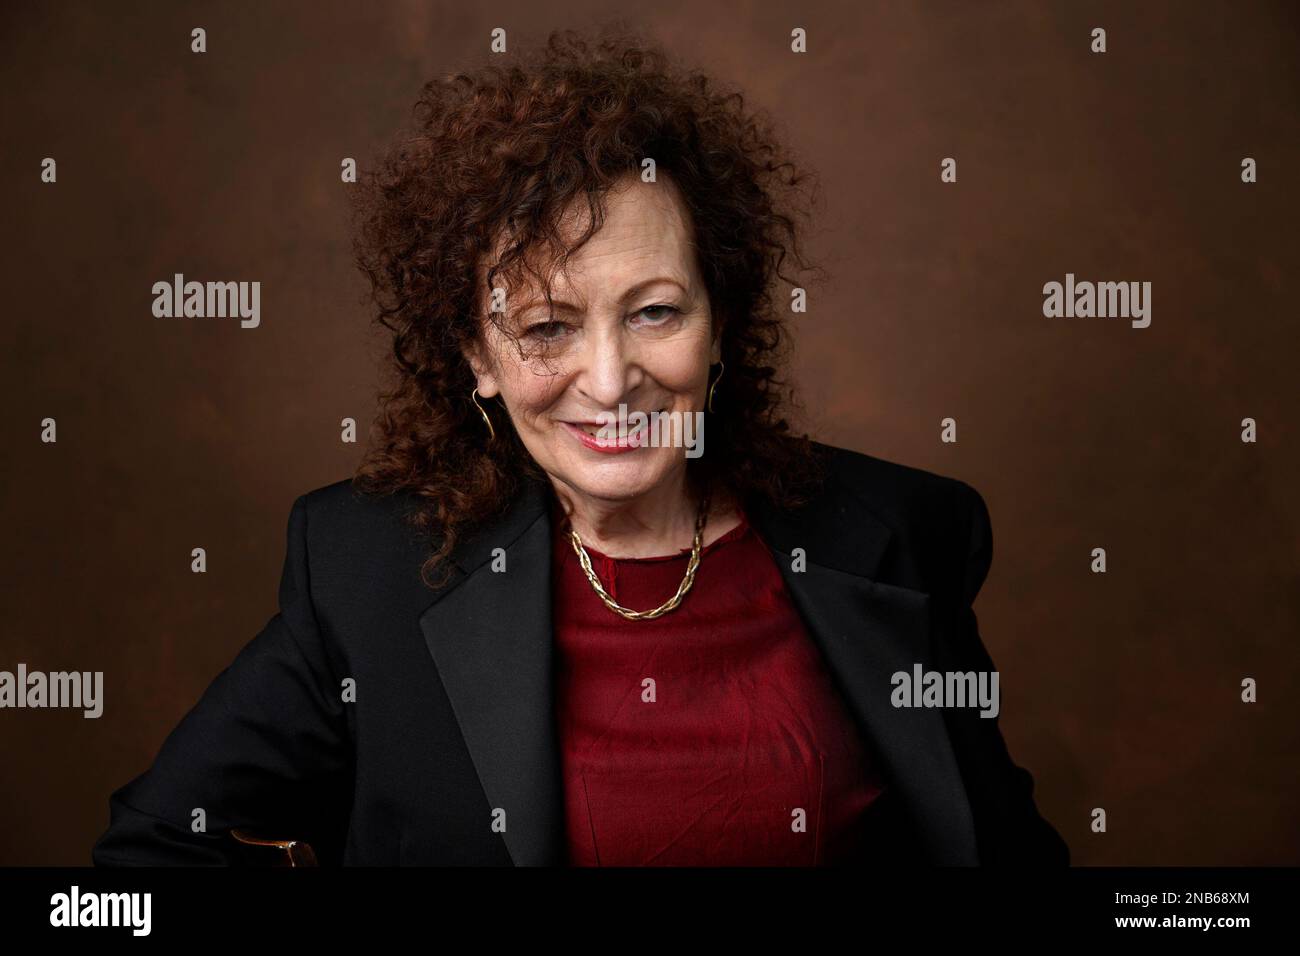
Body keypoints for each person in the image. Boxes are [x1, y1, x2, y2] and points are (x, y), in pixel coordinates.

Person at [93, 29, 1068, 867]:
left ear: (720, 322)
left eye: (653, 312)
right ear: (477, 353)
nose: (609, 379)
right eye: (547, 327)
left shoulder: (897, 533)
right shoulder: (364, 570)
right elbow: (147, 859)